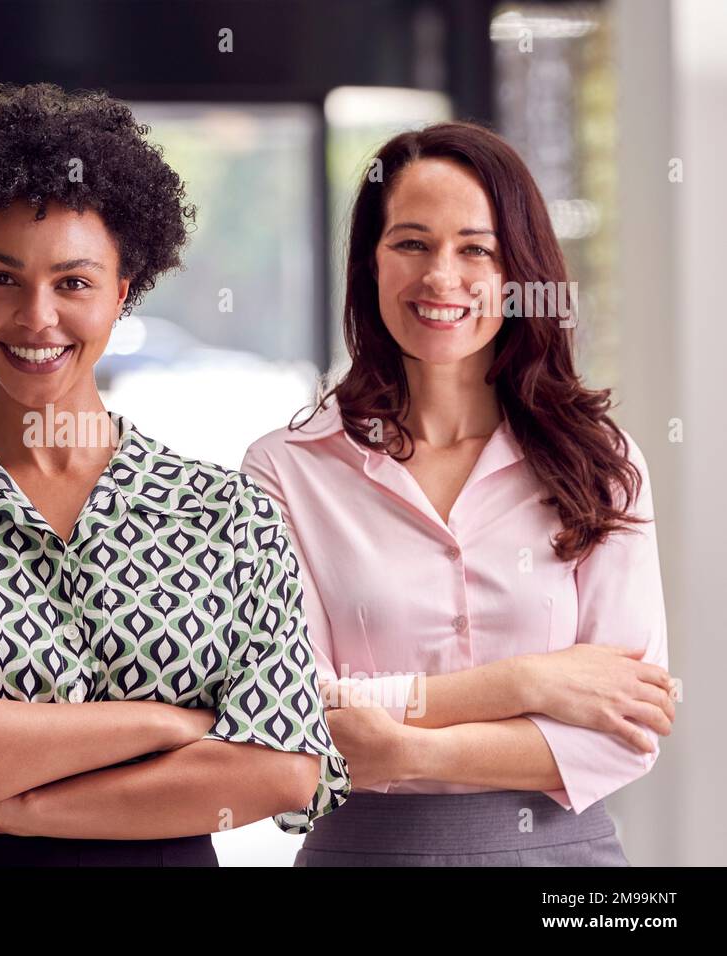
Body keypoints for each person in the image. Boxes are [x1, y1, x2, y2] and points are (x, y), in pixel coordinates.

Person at [0, 80, 349, 866]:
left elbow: (282, 766)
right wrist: (164, 724)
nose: (37, 317)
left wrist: (18, 805)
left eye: (74, 282)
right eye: (0, 279)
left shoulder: (226, 513)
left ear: (123, 292)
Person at [242, 121, 675, 866]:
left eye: (477, 248)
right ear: (369, 265)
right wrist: (531, 681)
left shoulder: (601, 464)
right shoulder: (286, 471)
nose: (442, 277)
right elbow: (301, 716)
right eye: (411, 243)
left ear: (518, 274)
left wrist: (404, 747)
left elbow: (623, 730)